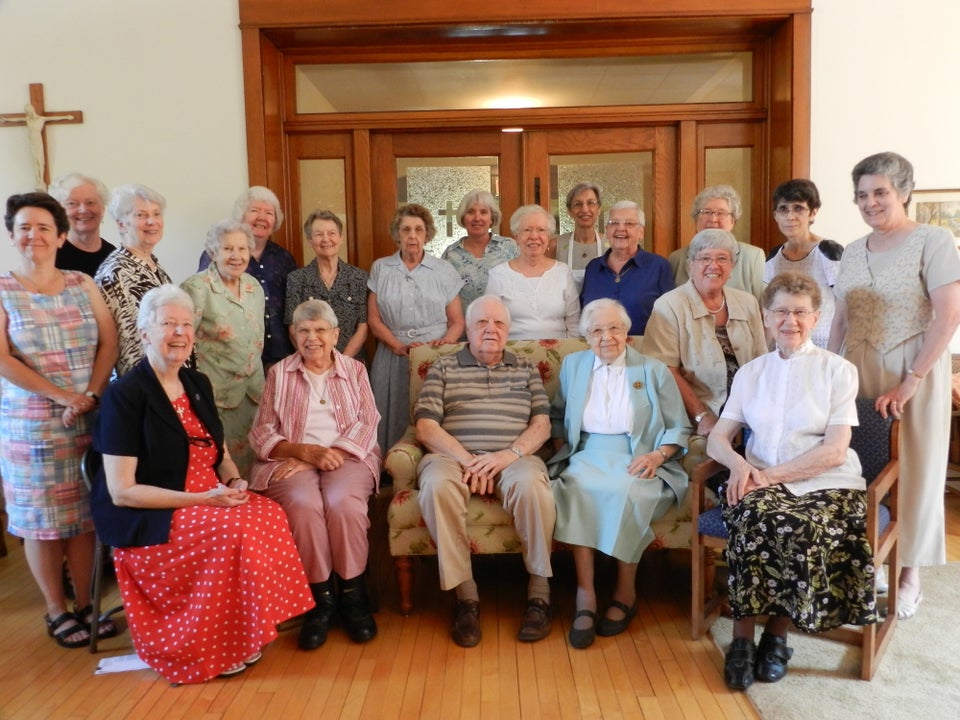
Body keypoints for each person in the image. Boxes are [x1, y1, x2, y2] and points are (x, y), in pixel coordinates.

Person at [90, 285, 312, 684]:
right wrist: (203, 498)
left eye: (186, 324)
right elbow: (122, 491)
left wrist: (233, 476)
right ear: (144, 333)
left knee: (269, 514)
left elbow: (218, 448)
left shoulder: (196, 383)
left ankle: (243, 631)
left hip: (206, 492)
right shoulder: (125, 395)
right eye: (169, 324)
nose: (179, 333)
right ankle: (209, 644)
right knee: (231, 530)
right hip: (151, 509)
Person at [708, 272, 879, 690]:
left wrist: (767, 476)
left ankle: (778, 637)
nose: (791, 320)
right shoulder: (750, 372)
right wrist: (737, 465)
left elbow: (836, 450)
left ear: (816, 317)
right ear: (766, 317)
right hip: (758, 478)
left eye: (801, 312)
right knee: (751, 519)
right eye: (781, 311)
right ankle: (743, 641)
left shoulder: (838, 371)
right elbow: (717, 437)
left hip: (827, 481)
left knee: (799, 527)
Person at [830, 151, 960, 619]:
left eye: (880, 192)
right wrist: (827, 370)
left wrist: (911, 383)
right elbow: (842, 317)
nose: (870, 202)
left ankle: (910, 573)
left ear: (904, 192)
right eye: (862, 195)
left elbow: (948, 317)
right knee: (862, 467)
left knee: (915, 470)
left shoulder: (934, 240)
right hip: (858, 370)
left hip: (913, 369)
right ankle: (870, 558)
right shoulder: (850, 249)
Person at [0, 192, 118, 648]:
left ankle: (87, 603)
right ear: (13, 236)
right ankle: (55, 608)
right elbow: (3, 360)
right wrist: (60, 395)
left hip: (85, 414)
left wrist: (88, 394)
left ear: (61, 235)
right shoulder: (4, 289)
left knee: (84, 515)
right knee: (41, 520)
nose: (34, 236)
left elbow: (109, 342)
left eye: (44, 227)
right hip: (31, 424)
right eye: (25, 227)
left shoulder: (81, 283)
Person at [414, 295, 555, 647]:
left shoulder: (526, 367)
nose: (491, 329)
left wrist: (507, 455)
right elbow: (426, 428)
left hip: (513, 457)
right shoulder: (443, 367)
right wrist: (467, 459)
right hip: (452, 456)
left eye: (499, 324)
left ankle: (540, 593)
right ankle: (466, 597)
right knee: (436, 486)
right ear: (469, 330)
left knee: (533, 486)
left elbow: (542, 425)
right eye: (481, 323)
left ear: (508, 331)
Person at [550, 299, 690, 649]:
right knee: (575, 487)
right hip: (586, 452)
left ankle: (625, 590)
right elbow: (556, 415)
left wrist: (659, 455)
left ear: (627, 332)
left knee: (629, 490)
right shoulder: (573, 365)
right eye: (596, 330)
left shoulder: (653, 370)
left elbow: (679, 427)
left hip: (638, 453)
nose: (606, 337)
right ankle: (585, 592)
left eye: (614, 328)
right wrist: (559, 451)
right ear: (585, 336)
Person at [249, 299, 381, 650]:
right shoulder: (279, 373)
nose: (313, 338)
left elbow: (368, 424)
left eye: (321, 329)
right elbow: (261, 432)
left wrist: (324, 456)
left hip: (347, 457)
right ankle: (320, 603)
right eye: (304, 330)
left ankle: (353, 597)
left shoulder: (355, 370)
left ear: (335, 334)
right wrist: (303, 452)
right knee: (303, 505)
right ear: (293, 335)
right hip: (293, 460)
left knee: (343, 504)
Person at [644, 229, 766, 470]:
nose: (714, 265)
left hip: (750, 410)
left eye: (722, 258)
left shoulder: (748, 303)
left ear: (732, 266)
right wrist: (702, 415)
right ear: (691, 264)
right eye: (705, 258)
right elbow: (665, 370)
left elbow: (761, 361)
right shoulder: (669, 306)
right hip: (701, 411)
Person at [367, 203, 464, 452]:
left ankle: (435, 464)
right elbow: (374, 319)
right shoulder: (381, 268)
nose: (412, 236)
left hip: (435, 357)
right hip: (393, 354)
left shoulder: (443, 270)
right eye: (406, 229)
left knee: (432, 414)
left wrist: (441, 348)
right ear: (396, 234)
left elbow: (457, 321)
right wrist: (397, 346)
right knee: (391, 411)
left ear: (427, 234)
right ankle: (391, 473)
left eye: (418, 230)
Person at [181, 220, 266, 477]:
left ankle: (259, 516)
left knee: (259, 466)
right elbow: (182, 345)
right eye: (228, 249)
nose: (236, 256)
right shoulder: (195, 289)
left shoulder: (254, 287)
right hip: (217, 396)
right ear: (213, 252)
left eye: (242, 249)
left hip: (255, 395)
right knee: (226, 471)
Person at [199, 186, 297, 367]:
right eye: (254, 210)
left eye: (269, 212)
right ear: (241, 215)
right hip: (231, 358)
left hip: (281, 353)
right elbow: (205, 300)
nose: (262, 217)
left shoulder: (284, 258)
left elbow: (293, 305)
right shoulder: (217, 254)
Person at [94, 184, 173, 376]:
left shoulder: (154, 265)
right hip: (143, 386)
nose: (151, 221)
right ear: (121, 223)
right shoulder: (117, 271)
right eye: (141, 215)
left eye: (156, 214)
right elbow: (131, 344)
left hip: (166, 379)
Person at [764, 179, 843, 348]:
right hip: (787, 344)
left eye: (798, 208)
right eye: (783, 209)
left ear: (813, 213)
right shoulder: (773, 257)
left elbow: (846, 308)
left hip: (825, 345)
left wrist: (834, 354)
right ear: (775, 215)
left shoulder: (828, 251)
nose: (790, 217)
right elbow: (771, 308)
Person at [486, 204, 580, 339]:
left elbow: (574, 323)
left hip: (559, 353)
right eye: (527, 230)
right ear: (517, 237)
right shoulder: (498, 275)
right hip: (512, 355)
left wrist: (570, 356)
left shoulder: (562, 272)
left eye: (541, 230)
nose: (534, 236)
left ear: (548, 237)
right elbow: (491, 323)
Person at [580, 200, 674, 335]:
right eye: (614, 223)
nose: (620, 228)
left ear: (641, 232)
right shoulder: (593, 268)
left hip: (645, 349)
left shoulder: (658, 266)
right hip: (600, 348)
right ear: (606, 231)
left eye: (629, 223)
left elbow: (670, 317)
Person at [285, 209, 368, 358]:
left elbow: (362, 327)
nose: (326, 239)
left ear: (341, 238)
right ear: (310, 240)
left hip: (351, 364)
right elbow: (293, 327)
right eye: (318, 234)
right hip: (312, 364)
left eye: (331, 233)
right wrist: (321, 362)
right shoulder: (297, 279)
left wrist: (342, 363)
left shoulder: (359, 277)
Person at [669, 185, 766, 302]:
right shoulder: (676, 259)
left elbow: (764, 304)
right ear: (696, 219)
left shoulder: (753, 257)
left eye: (721, 213)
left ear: (733, 221)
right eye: (706, 212)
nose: (713, 219)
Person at [441, 189, 519, 310]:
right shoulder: (451, 254)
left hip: (506, 326)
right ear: (463, 218)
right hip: (466, 326)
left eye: (483, 212)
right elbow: (443, 296)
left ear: (492, 219)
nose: (477, 218)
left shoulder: (509, 247)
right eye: (471, 212)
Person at [48, 173, 117, 277]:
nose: (83, 210)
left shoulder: (113, 256)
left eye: (90, 202)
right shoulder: (50, 255)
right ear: (60, 211)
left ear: (102, 209)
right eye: (72, 203)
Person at [553, 182, 606, 290]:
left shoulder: (611, 246)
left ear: (599, 209)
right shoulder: (555, 245)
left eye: (591, 203)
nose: (585, 209)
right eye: (578, 204)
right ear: (569, 211)